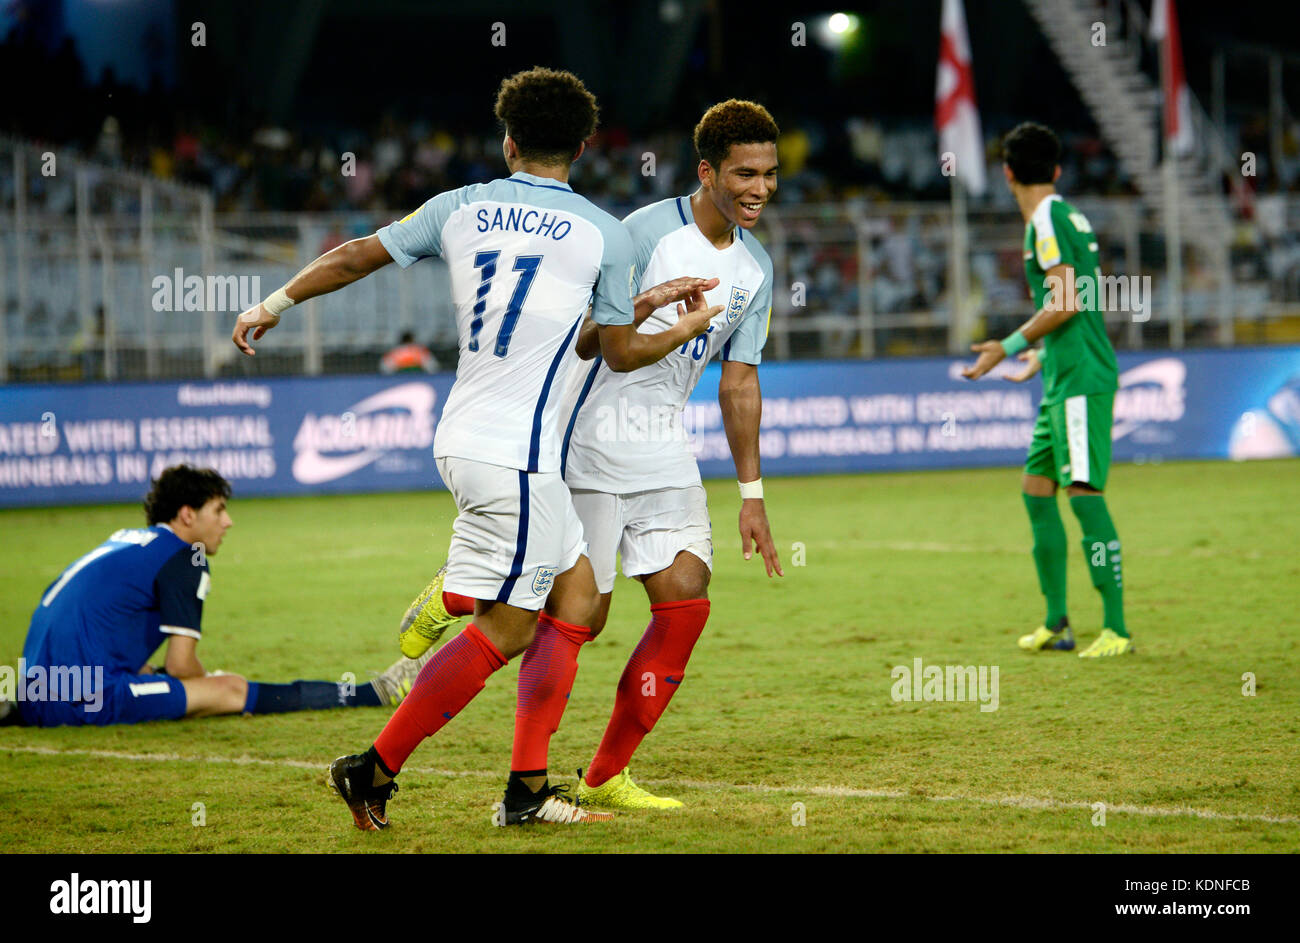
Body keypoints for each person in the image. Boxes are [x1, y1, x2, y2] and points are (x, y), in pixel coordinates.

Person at [232, 67, 720, 829]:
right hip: (519, 458)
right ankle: (378, 766)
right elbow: (621, 353)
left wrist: (273, 301)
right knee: (510, 626)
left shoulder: (460, 206)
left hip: (466, 436)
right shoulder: (605, 231)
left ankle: (527, 781)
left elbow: (360, 252)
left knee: (578, 597)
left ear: (509, 141)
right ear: (585, 145)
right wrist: (687, 326)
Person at [400, 99, 785, 811]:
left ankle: (606, 774)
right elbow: (581, 333)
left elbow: (739, 383)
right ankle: (464, 595)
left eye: (768, 174)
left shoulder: (756, 268)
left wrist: (752, 494)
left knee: (686, 601)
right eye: (743, 174)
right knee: (579, 614)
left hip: (664, 446)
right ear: (707, 172)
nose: (758, 188)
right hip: (586, 443)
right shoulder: (640, 233)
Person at [2, 465, 424, 728]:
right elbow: (181, 664)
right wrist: (198, 679)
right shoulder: (187, 557)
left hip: (38, 689)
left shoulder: (128, 540)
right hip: (79, 699)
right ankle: (378, 691)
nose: (229, 521)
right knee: (230, 690)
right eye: (219, 510)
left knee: (171, 679)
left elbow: (96, 622)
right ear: (188, 515)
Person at [961, 122, 1131, 658]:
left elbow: (1066, 303)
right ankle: (1057, 620)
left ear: (1007, 173)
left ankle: (1117, 629)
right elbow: (1075, 300)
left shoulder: (1046, 222)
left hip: (1081, 380)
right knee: (1036, 491)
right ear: (1056, 170)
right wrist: (1040, 354)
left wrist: (1006, 346)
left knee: (1083, 495)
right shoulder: (1069, 215)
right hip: (1063, 372)